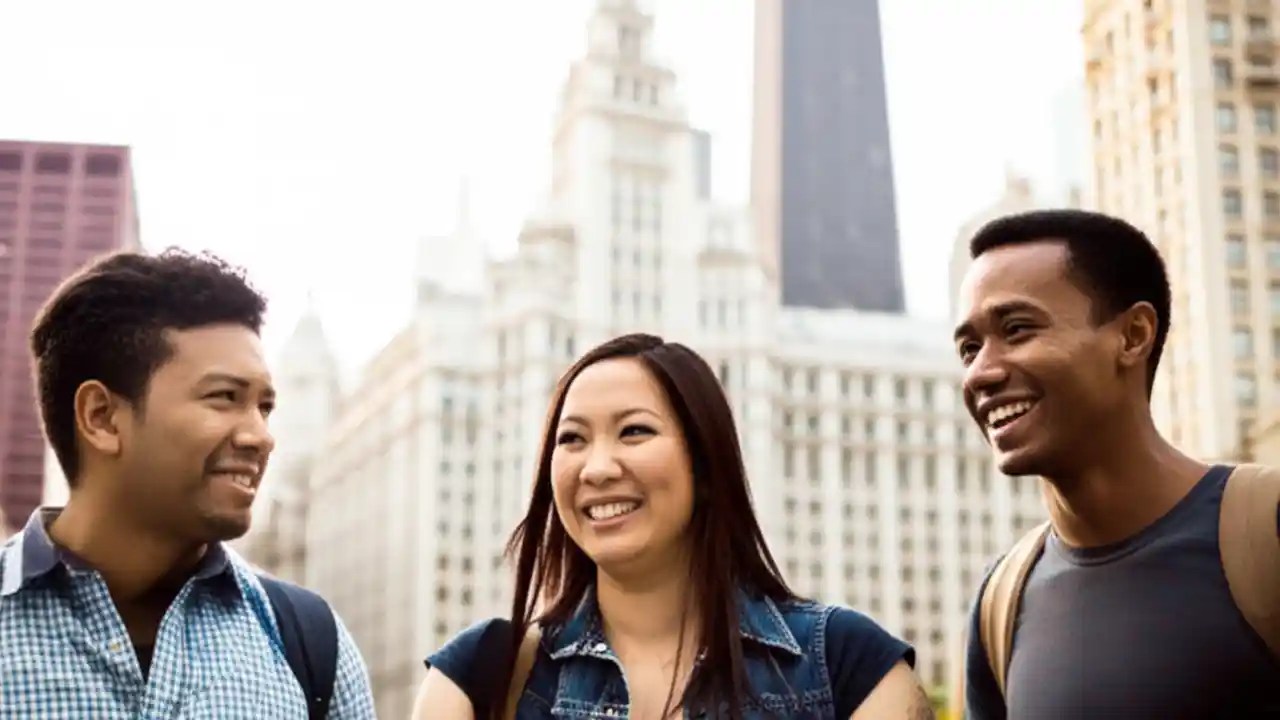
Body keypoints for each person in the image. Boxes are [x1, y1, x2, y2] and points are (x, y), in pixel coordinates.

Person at [412, 333, 932, 719]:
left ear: (705, 466)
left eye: (634, 431)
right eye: (571, 439)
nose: (597, 468)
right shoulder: (478, 676)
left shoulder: (848, 664)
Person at [0, 249, 376, 718]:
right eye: (224, 398)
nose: (261, 437)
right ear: (101, 418)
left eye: (264, 407)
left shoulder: (313, 644)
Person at [953, 209, 1280, 718]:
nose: (982, 373)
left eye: (1017, 330)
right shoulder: (1000, 603)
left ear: (1132, 336)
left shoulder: (1266, 529)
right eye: (969, 349)